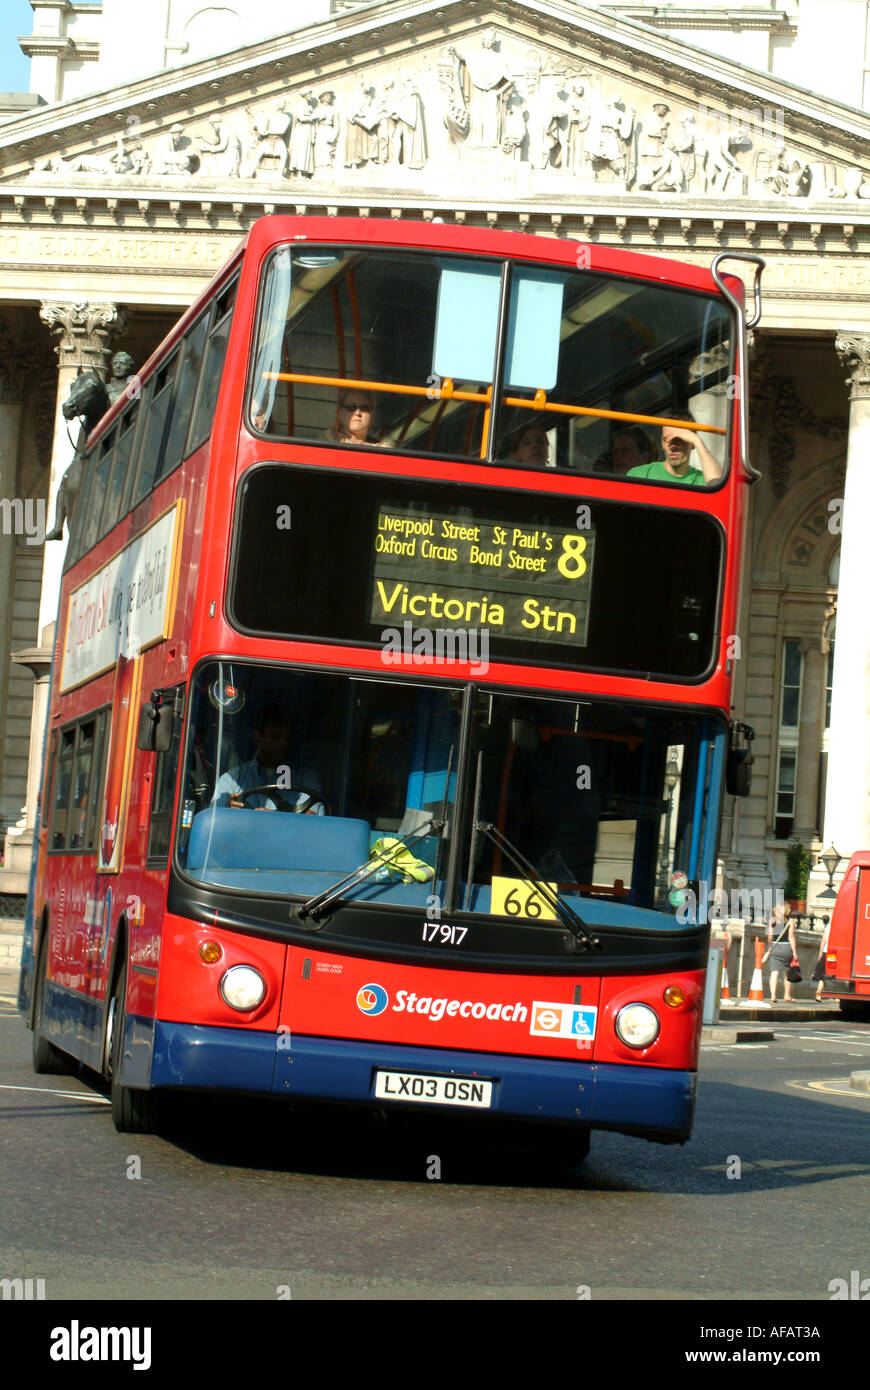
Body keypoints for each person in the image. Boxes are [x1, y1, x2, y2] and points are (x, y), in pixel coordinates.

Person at [212, 705, 323, 813]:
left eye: (285, 738)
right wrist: (227, 809)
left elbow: (312, 820)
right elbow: (214, 820)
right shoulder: (232, 779)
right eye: (274, 737)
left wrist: (273, 817)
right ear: (257, 737)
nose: (282, 744)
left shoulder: (305, 778)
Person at [627, 411, 722, 485]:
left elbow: (718, 486)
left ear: (691, 442)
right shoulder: (641, 475)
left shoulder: (701, 479)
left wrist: (698, 441)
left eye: (679, 439)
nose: (672, 446)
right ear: (662, 443)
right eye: (666, 439)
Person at [323, 391, 389, 446]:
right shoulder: (330, 437)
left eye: (364, 408)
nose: (357, 412)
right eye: (351, 407)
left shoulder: (382, 447)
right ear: (341, 412)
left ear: (372, 413)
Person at [764, 901, 798, 1004]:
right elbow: (791, 937)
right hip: (786, 948)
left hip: (775, 947)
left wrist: (770, 946)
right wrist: (795, 952)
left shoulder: (772, 921)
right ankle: (787, 995)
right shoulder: (790, 922)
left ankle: (773, 995)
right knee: (787, 973)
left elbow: (769, 936)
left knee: (774, 972)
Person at [812, 919, 831, 1002]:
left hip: (826, 952)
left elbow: (823, 940)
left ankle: (819, 992)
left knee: (822, 974)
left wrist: (820, 953)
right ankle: (837, 996)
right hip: (836, 952)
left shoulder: (828, 927)